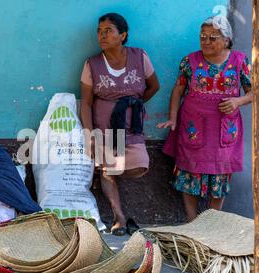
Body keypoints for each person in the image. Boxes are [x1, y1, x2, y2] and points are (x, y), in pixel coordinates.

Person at [157, 16, 253, 222]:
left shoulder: (239, 61)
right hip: (193, 126)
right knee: (189, 172)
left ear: (226, 40)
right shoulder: (189, 61)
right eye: (203, 37)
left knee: (220, 172)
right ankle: (192, 222)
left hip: (224, 128)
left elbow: (253, 91)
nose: (206, 41)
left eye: (212, 37)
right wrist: (173, 118)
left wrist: (238, 101)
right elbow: (178, 90)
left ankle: (212, 222)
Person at [80, 13, 160, 236]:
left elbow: (154, 86)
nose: (102, 35)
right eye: (99, 31)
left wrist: (134, 105)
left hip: (131, 126)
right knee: (108, 171)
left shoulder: (139, 56)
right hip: (104, 127)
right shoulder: (92, 64)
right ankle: (119, 217)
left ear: (122, 35)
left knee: (139, 165)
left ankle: (107, 171)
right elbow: (85, 103)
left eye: (108, 31)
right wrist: (89, 134)